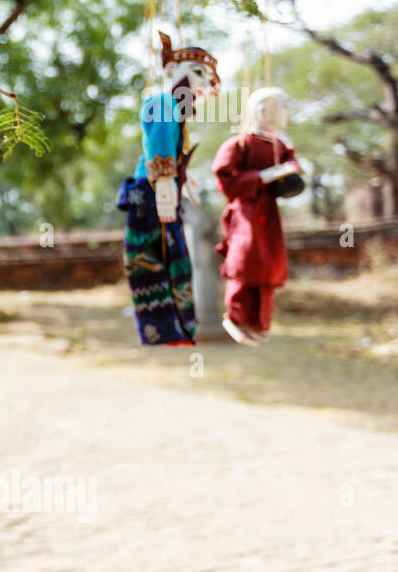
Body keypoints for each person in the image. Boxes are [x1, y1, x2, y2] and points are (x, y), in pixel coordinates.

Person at [117, 31, 220, 346]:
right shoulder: (161, 102)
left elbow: (172, 150)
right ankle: (163, 329)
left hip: (163, 192)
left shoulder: (175, 110)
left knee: (173, 259)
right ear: (172, 70)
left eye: (208, 77)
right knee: (154, 260)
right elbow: (158, 148)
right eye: (198, 73)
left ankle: (177, 327)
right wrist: (165, 185)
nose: (203, 83)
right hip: (151, 194)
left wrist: (183, 180)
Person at [213, 87, 304, 344]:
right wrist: (268, 175)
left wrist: (291, 172)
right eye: (282, 106)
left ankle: (258, 322)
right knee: (245, 260)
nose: (287, 112)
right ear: (263, 110)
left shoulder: (280, 146)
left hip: (269, 215)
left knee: (269, 265)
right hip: (246, 214)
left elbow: (292, 174)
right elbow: (228, 182)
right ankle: (235, 316)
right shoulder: (238, 144)